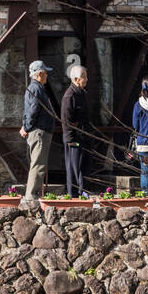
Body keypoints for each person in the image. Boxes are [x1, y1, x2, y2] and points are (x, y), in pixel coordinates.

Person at [20, 60, 60, 199]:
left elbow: (29, 111)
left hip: (38, 130)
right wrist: (26, 126)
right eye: (45, 73)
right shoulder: (36, 88)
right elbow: (33, 110)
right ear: (40, 74)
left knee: (38, 164)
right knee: (38, 165)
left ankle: (33, 195)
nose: (47, 76)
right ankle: (31, 197)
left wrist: (25, 126)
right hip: (39, 132)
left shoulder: (35, 88)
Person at [61, 64, 91, 198]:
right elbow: (66, 121)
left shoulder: (82, 93)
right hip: (74, 138)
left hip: (83, 135)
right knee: (73, 166)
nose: (87, 79)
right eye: (84, 77)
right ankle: (73, 193)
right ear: (76, 79)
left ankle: (82, 190)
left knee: (82, 165)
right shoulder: (70, 96)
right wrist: (70, 140)